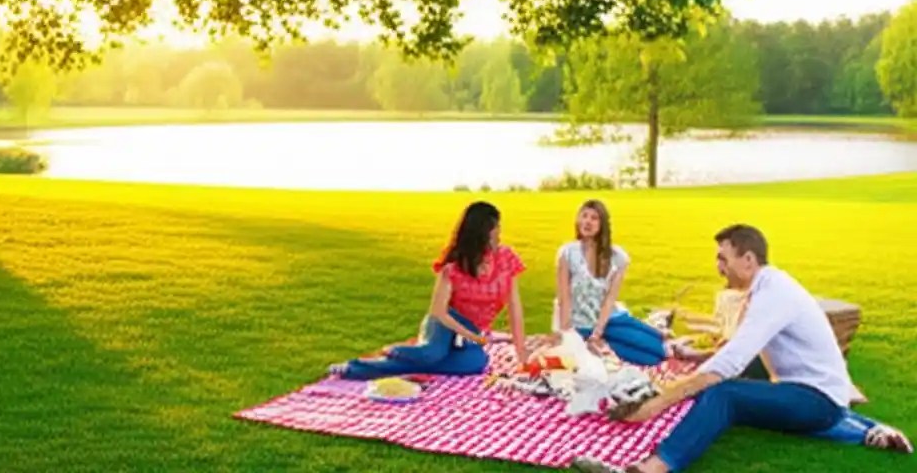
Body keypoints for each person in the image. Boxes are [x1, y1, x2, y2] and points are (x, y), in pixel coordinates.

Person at [571, 224, 911, 473]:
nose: (718, 266)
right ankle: (867, 430)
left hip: (819, 401)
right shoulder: (767, 287)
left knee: (724, 393)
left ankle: (651, 469)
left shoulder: (774, 294)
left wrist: (656, 404)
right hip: (811, 393)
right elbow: (740, 347)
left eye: (723, 258)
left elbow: (730, 363)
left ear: (748, 259)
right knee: (716, 380)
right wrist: (697, 358)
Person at [330, 201, 528, 380]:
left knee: (475, 363)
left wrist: (522, 359)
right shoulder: (454, 267)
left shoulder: (506, 259)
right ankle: (362, 365)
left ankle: (412, 361)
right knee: (431, 354)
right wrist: (474, 337)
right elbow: (438, 312)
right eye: (496, 228)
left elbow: (515, 310)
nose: (500, 233)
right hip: (445, 322)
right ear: (482, 232)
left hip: (470, 330)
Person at [554, 200, 667, 365]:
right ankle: (603, 345)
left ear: (602, 224)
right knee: (650, 359)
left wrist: (597, 333)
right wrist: (567, 333)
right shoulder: (567, 253)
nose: (587, 221)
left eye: (594, 218)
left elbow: (610, 299)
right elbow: (563, 297)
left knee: (658, 347)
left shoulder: (617, 257)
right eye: (584, 216)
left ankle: (656, 327)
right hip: (580, 324)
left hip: (609, 320)